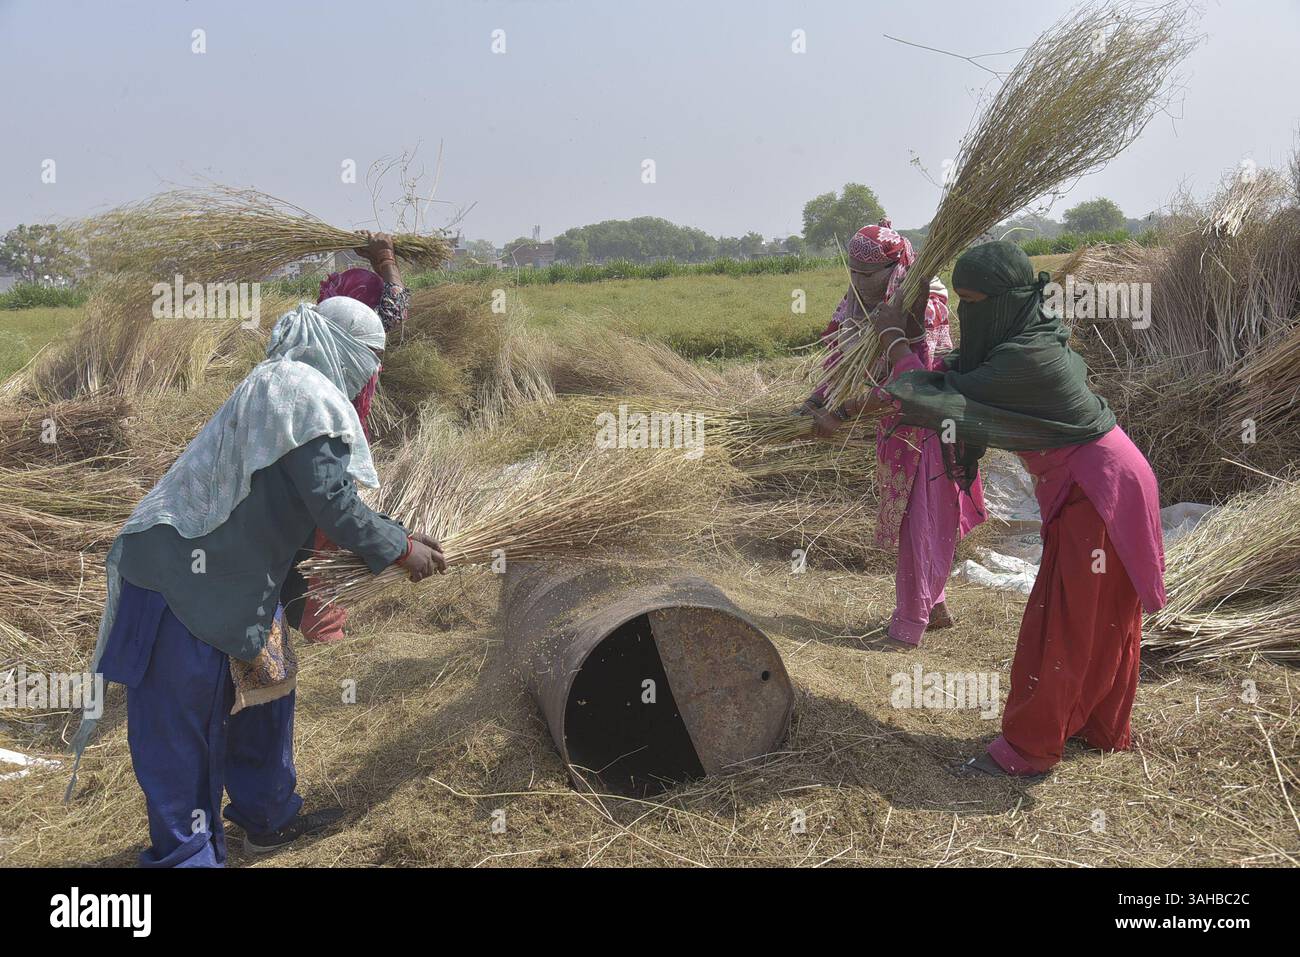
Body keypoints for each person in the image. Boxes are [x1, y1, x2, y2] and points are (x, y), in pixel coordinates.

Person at [68, 294, 446, 866]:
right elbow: (332, 504)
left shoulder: (290, 387)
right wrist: (401, 551)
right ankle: (189, 854)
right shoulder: (299, 391)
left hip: (242, 578)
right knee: (182, 726)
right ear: (343, 350)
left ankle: (266, 818)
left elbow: (300, 503)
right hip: (184, 577)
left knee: (267, 691)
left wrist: (389, 539)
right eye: (370, 358)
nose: (373, 373)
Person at [862, 241, 1165, 776]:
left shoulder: (1030, 358)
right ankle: (1094, 725)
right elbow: (951, 377)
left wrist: (892, 341)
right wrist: (851, 401)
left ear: (1006, 299)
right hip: (1107, 479)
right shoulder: (1018, 335)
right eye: (960, 302)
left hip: (1098, 490)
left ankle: (1029, 749)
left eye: (975, 301)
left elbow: (942, 398)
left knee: (1067, 620)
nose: (967, 314)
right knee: (1098, 613)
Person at [806, 221, 985, 645]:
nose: (858, 282)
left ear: (894, 267)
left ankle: (908, 626)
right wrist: (818, 400)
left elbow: (914, 387)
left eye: (867, 274)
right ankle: (935, 605)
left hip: (931, 427)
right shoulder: (862, 305)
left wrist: (844, 413)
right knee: (918, 517)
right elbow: (845, 366)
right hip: (896, 429)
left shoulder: (922, 307)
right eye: (852, 272)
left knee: (920, 521)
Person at [288, 232, 412, 644]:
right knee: (328, 534)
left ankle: (303, 619)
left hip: (307, 443)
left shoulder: (312, 335)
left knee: (309, 530)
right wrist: (385, 257)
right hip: (330, 438)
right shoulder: (348, 346)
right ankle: (324, 631)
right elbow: (395, 307)